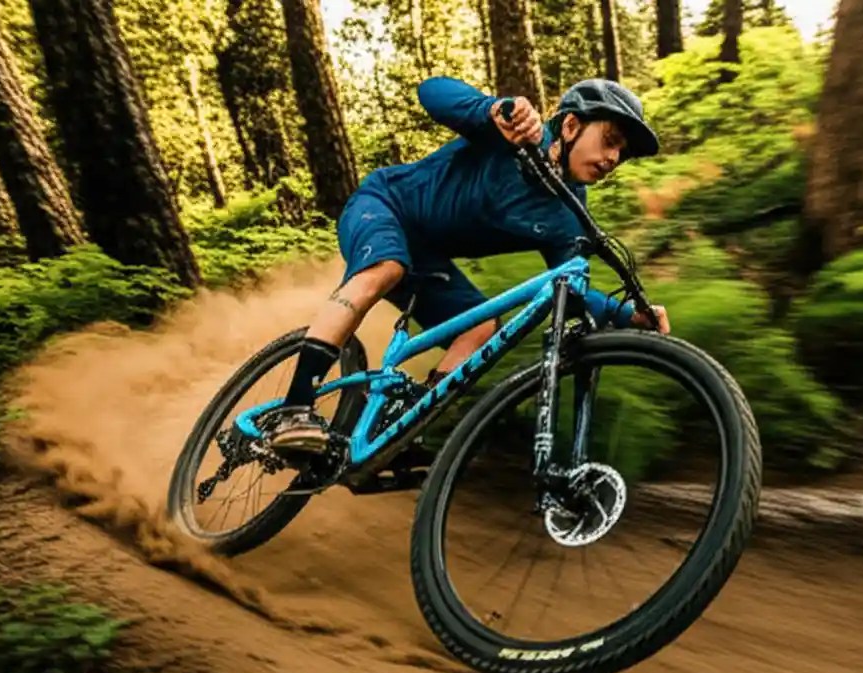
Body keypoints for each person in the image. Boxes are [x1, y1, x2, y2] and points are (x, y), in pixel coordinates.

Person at [267, 76, 671, 457]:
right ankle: (294, 409)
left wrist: (628, 315)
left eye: (623, 153)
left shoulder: (567, 212)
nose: (614, 157)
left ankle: (404, 426)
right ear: (570, 126)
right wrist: (493, 110)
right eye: (611, 141)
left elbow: (573, 289)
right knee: (386, 267)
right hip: (383, 206)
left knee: (481, 328)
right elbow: (431, 92)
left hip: (427, 257)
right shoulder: (515, 134)